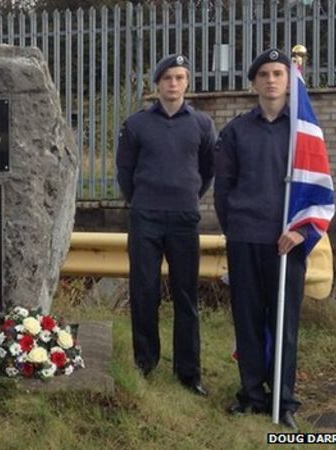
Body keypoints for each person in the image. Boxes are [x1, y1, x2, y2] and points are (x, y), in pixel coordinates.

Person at [215, 48, 308, 430]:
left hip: (288, 241)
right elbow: (224, 189)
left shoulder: (303, 130)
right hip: (246, 238)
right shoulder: (237, 130)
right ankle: (252, 393)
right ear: (254, 82)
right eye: (264, 74)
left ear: (289, 80)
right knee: (248, 318)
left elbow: (318, 188)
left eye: (278, 73)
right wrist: (235, 228)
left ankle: (283, 399)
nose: (271, 80)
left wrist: (301, 230)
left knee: (285, 321)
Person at [116, 54, 216, 396]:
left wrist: (186, 195)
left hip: (184, 219)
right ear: (157, 84)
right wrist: (143, 200)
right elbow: (125, 173)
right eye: (167, 78)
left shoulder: (202, 124)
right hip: (145, 217)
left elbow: (207, 171)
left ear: (187, 82)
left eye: (180, 77)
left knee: (186, 296)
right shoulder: (137, 124)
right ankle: (145, 363)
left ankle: (189, 373)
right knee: (144, 293)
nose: (173, 84)